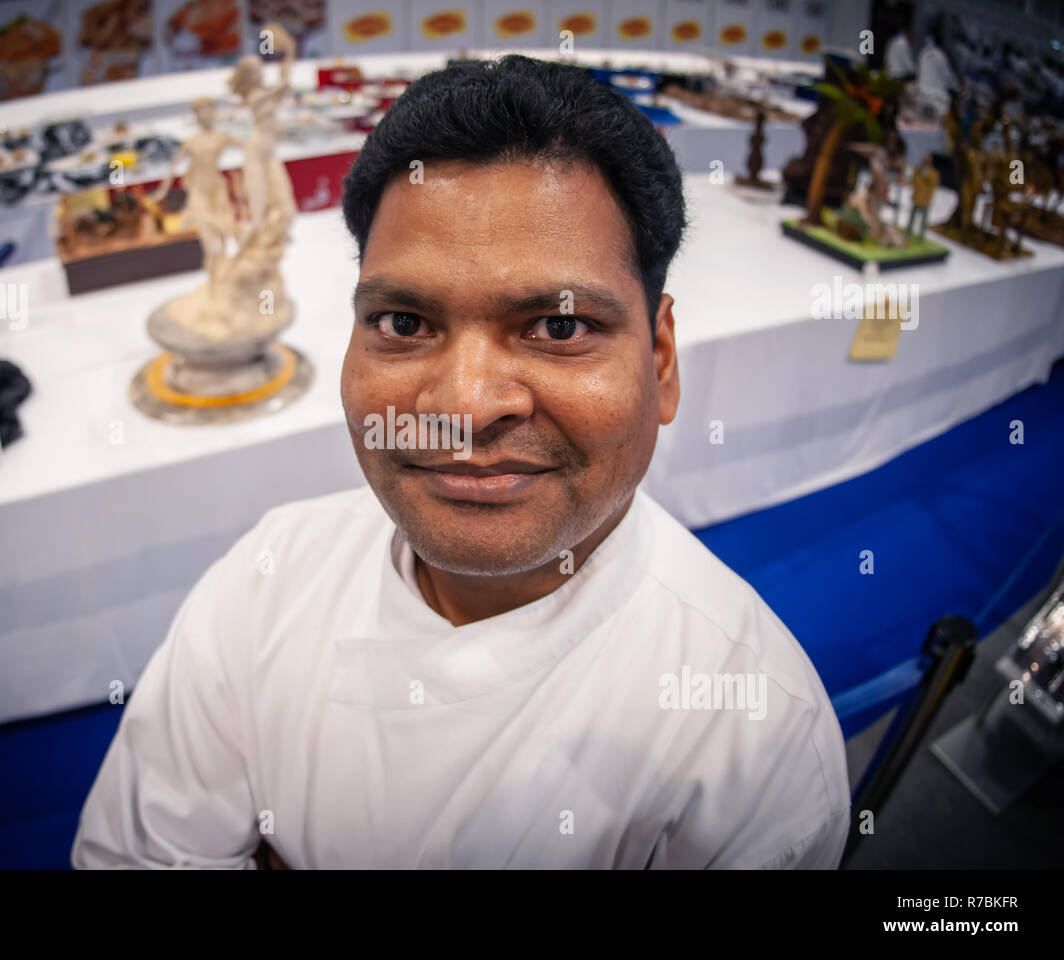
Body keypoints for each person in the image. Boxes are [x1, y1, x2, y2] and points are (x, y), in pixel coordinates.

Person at [71, 54, 850, 870]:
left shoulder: (754, 740)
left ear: (659, 362)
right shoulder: (267, 581)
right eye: (405, 323)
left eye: (557, 327)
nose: (466, 408)